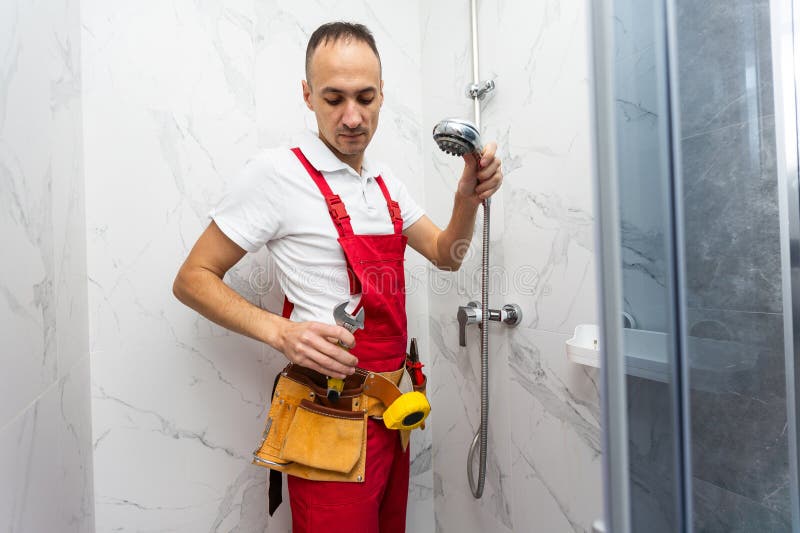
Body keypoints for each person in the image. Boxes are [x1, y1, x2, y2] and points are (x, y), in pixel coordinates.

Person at [172, 21, 502, 533]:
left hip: (393, 417)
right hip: (328, 422)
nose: (352, 117)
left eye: (365, 98)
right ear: (307, 95)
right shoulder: (275, 174)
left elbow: (447, 254)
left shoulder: (387, 184)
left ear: (382, 94)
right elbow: (193, 278)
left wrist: (466, 199)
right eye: (333, 99)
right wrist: (281, 331)